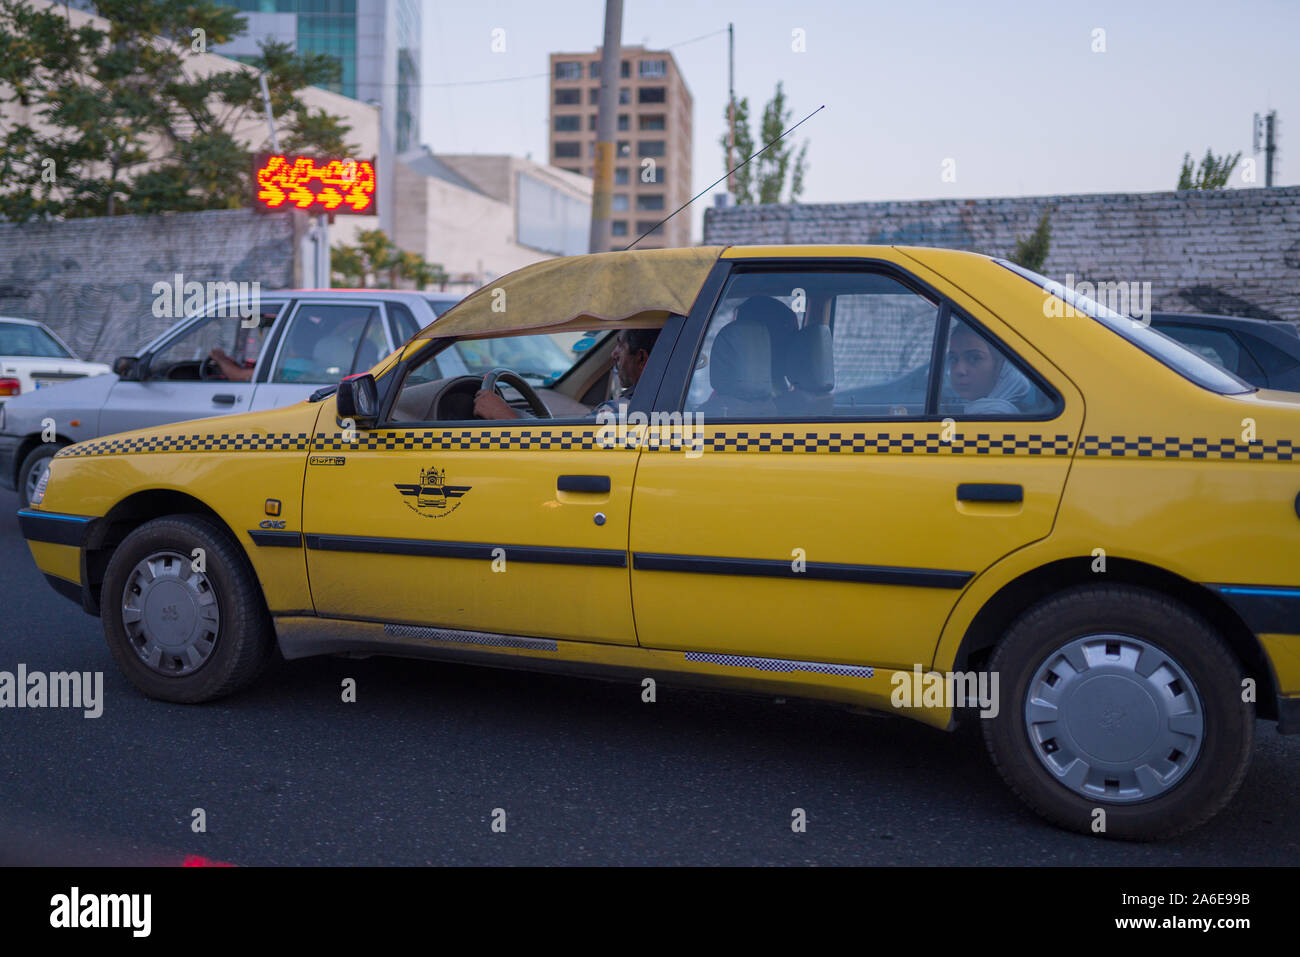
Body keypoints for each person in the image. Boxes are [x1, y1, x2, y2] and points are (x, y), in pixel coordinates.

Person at [471, 327, 659, 420]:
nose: (613, 354)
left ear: (641, 358)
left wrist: (505, 416)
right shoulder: (680, 403)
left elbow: (565, 456)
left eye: (620, 346)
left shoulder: (617, 413)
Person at [946, 323, 1032, 415]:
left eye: (974, 358)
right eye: (953, 358)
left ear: (1002, 366)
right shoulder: (977, 410)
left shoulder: (996, 415)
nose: (959, 370)